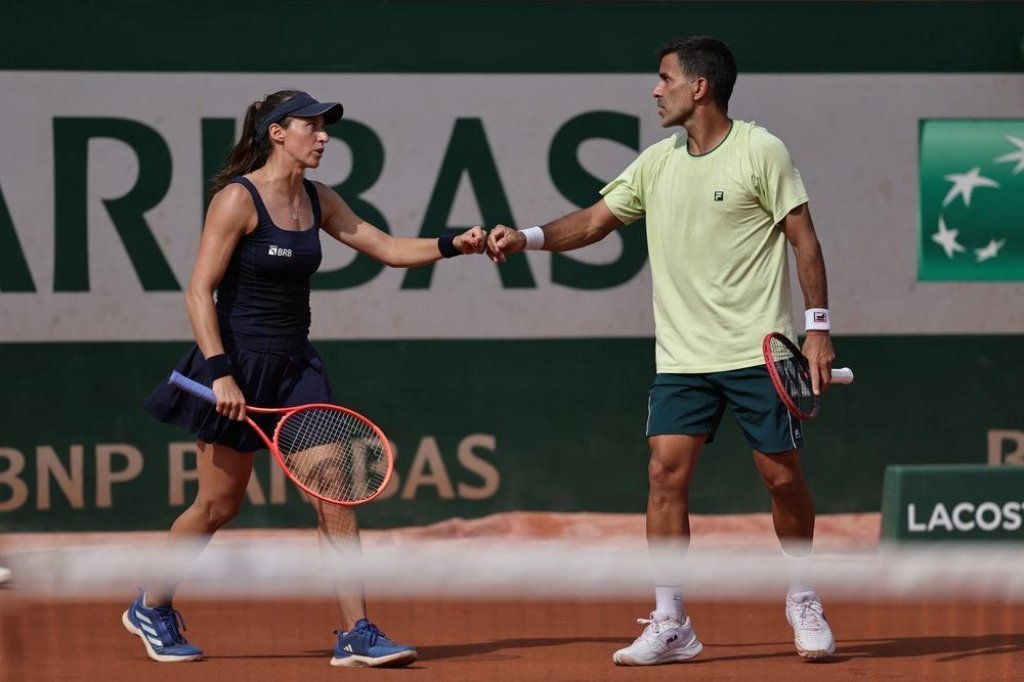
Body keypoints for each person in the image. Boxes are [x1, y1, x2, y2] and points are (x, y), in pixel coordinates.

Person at [486, 36, 837, 665]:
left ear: (699, 87)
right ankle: (672, 621)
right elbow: (592, 222)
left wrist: (817, 328)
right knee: (663, 475)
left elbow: (803, 238)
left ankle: (803, 595)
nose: (655, 89)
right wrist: (527, 238)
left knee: (782, 479)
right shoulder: (656, 163)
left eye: (665, 78)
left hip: (758, 352)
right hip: (682, 360)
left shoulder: (761, 150)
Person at [124, 90, 486, 667]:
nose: (322, 136)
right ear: (276, 132)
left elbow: (387, 247)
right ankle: (151, 604)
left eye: (325, 127)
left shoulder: (319, 198)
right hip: (236, 366)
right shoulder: (236, 199)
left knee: (333, 491)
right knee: (217, 506)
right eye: (310, 126)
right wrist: (221, 374)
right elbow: (198, 290)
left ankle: (357, 631)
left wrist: (453, 245)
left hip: (297, 369)